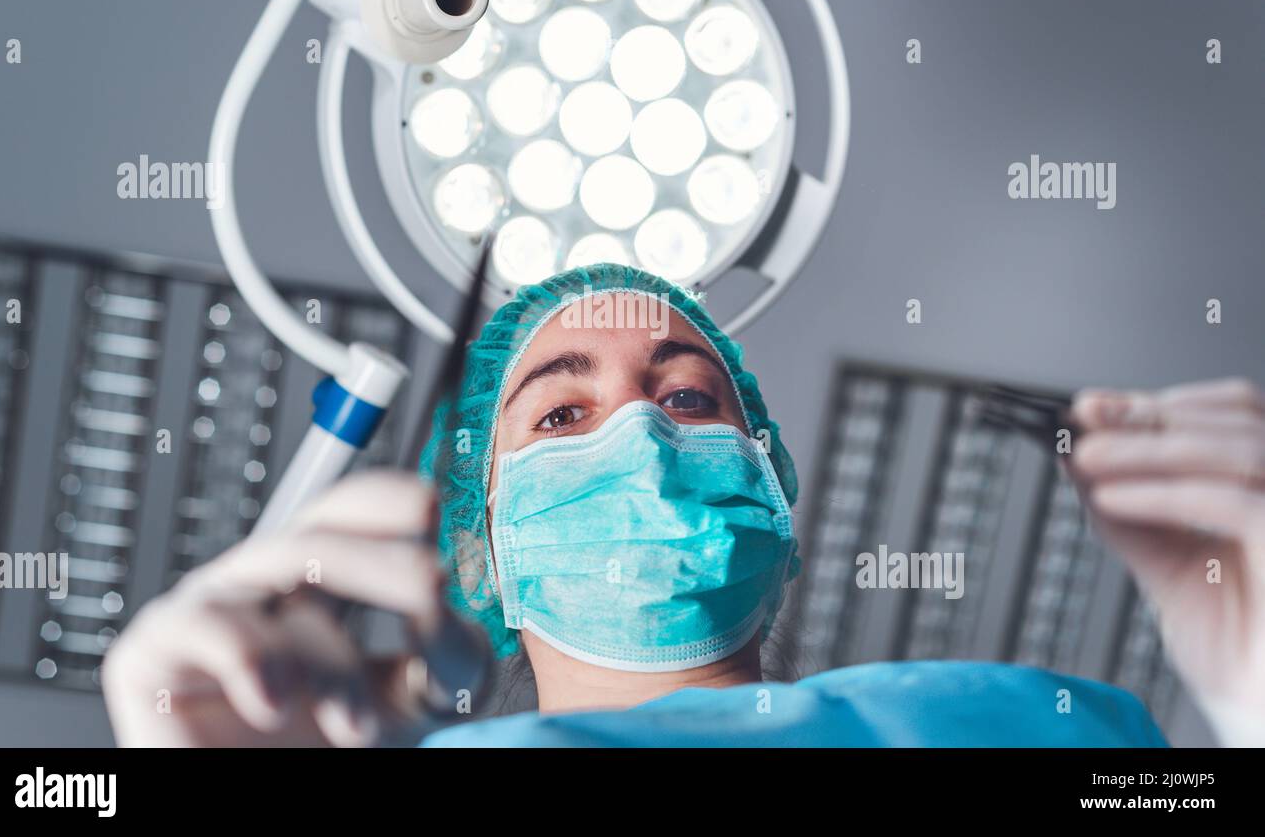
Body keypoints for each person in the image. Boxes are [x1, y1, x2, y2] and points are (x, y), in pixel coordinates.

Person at [103, 264, 1265, 747]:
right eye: (561, 417)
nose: (644, 434)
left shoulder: (1040, 726)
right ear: (480, 558)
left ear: (775, 493)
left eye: (691, 398)